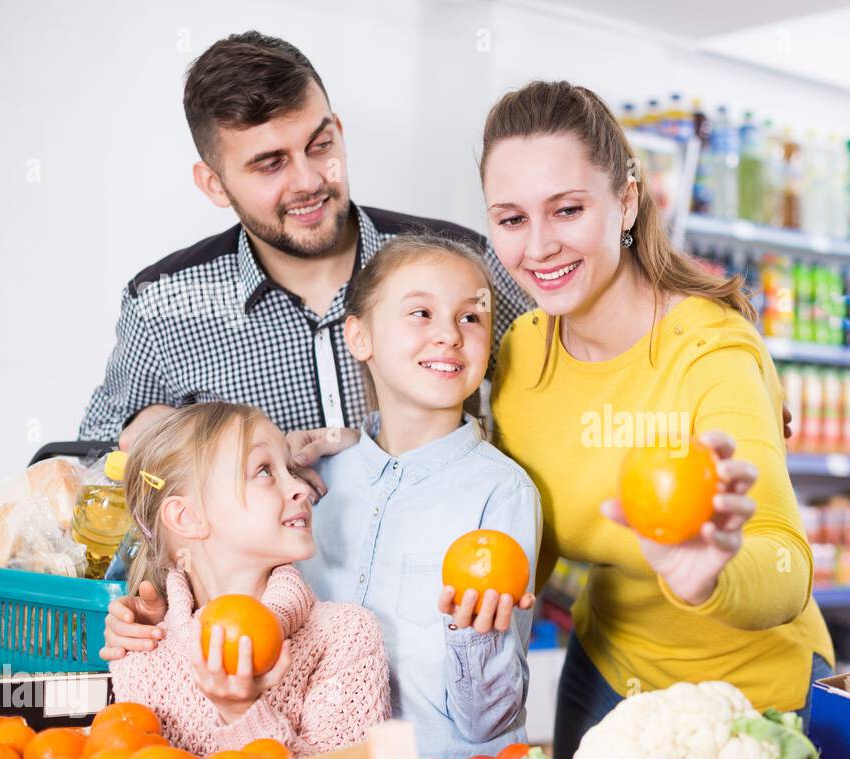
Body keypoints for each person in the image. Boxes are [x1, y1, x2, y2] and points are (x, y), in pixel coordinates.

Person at [479, 81, 835, 759]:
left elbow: (787, 563)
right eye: (512, 219)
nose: (540, 246)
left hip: (753, 701)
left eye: (568, 209)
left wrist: (711, 574)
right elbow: (525, 528)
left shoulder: (711, 351)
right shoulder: (519, 350)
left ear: (627, 203)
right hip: (607, 677)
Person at [106, 235, 541, 759]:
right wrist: (156, 617)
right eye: (421, 313)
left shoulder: (503, 493)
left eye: (472, 318)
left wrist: (478, 637)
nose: (449, 334)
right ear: (359, 337)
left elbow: (487, 721)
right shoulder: (316, 482)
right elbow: (244, 592)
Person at [79, 31, 532, 456]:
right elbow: (92, 460)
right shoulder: (161, 303)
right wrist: (183, 442)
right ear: (214, 184)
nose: (310, 180)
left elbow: (559, 384)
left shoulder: (463, 262)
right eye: (270, 164)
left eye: (320, 145)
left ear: (338, 130)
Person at [108, 402, 391, 758]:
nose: (300, 488)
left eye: (290, 468)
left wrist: (243, 715)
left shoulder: (347, 636)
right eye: (264, 471)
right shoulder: (140, 652)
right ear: (187, 517)